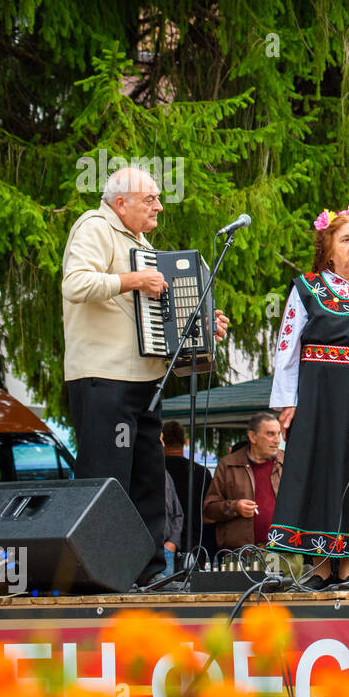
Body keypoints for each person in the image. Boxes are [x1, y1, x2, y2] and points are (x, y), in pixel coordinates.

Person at [61, 167, 227, 585]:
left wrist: (207, 324)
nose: (158, 205)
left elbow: (159, 315)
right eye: (149, 199)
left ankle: (152, 571)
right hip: (102, 376)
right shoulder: (94, 226)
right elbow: (75, 284)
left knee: (150, 477)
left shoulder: (140, 243)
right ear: (121, 203)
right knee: (108, 478)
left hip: (141, 383)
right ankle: (98, 574)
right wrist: (134, 280)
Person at [266, 207, 349, 589]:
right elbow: (287, 348)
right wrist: (288, 400)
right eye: (345, 239)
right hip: (319, 398)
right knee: (322, 473)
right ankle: (320, 567)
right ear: (329, 251)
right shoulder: (308, 288)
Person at [203, 412, 285, 551]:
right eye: (270, 434)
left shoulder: (287, 462)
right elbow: (209, 510)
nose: (277, 440)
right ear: (252, 436)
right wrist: (235, 507)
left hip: (283, 551)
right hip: (241, 553)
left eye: (278, 434)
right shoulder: (228, 464)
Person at [161, 420, 214, 560]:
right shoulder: (201, 472)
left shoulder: (156, 471)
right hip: (195, 544)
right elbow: (209, 511)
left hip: (163, 541)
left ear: (162, 441)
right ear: (185, 441)